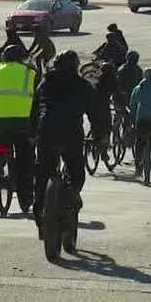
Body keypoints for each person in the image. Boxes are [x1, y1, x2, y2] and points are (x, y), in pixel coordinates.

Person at [32, 51, 107, 239]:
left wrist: (32, 132)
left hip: (47, 130)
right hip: (71, 133)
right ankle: (72, 198)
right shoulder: (83, 85)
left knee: (42, 175)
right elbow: (95, 113)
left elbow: (34, 108)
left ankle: (40, 216)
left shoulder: (46, 82)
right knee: (76, 173)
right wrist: (99, 135)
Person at [0, 45, 37, 211]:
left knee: (0, 144)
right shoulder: (30, 73)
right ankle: (25, 197)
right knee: (25, 157)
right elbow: (37, 100)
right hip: (22, 122)